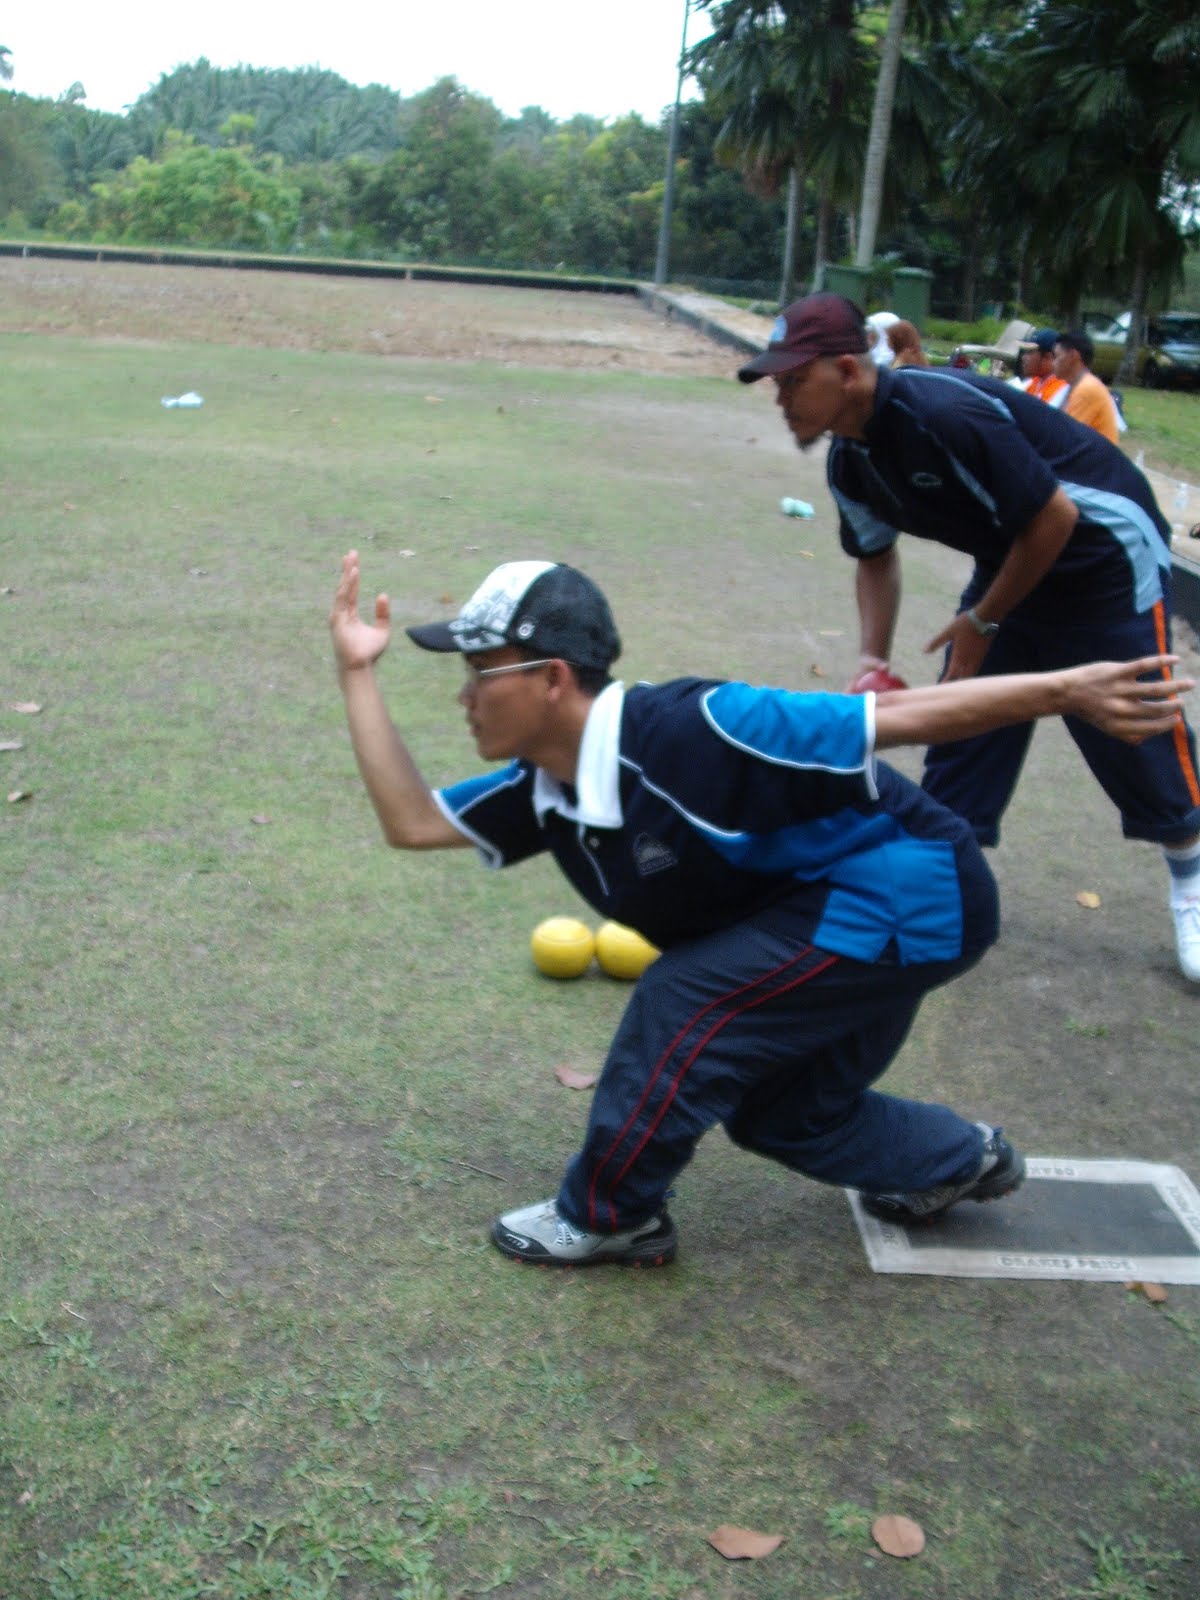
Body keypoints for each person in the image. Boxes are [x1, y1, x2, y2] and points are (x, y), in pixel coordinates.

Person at [330, 548, 1189, 1266]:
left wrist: (1064, 691)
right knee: (780, 1115)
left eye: (483, 674)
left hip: (914, 888)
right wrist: (356, 672)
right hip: (832, 914)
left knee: (683, 996)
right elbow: (410, 821)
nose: (465, 697)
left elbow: (889, 716)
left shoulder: (701, 726)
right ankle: (961, 1161)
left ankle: (610, 1215)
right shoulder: (547, 789)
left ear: (553, 678)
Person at [738, 292, 1200, 983]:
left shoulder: (938, 412)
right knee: (962, 725)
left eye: (795, 381)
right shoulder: (850, 464)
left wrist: (982, 624)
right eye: (778, 384)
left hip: (1101, 548)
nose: (783, 400)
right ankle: (939, 887)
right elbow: (874, 558)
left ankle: (1191, 882)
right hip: (1015, 551)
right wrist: (872, 659)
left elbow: (1056, 516)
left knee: (1130, 723)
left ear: (848, 369)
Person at [1053, 329, 1122, 443]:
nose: (1053, 363)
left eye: (1057, 356)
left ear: (1073, 356)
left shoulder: (1087, 389)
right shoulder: (1075, 386)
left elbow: (1066, 438)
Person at [1019, 328, 1069, 407]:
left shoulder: (1061, 389)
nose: (1023, 357)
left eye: (1029, 352)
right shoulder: (1035, 381)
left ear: (1048, 357)